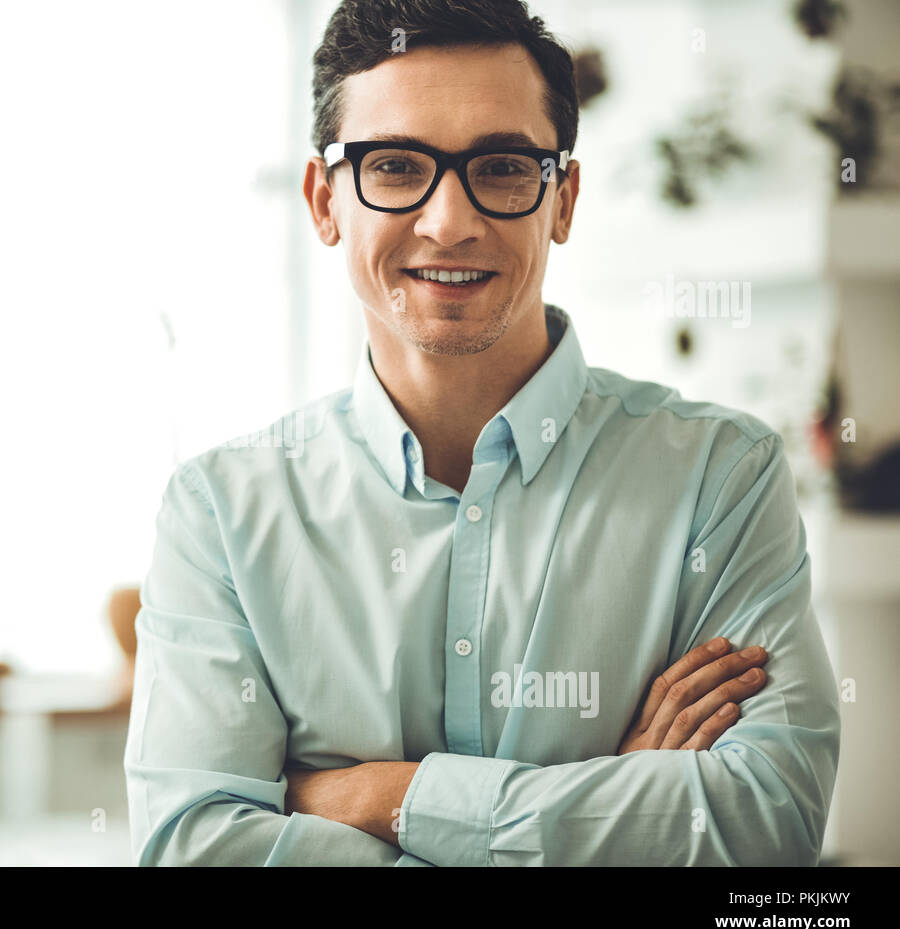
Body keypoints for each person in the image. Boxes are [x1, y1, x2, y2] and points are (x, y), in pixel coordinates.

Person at [123, 0, 840, 866]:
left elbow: (765, 825)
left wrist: (380, 797)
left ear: (561, 199)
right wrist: (607, 809)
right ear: (324, 201)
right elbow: (194, 850)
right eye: (394, 166)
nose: (450, 222)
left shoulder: (719, 479)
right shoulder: (221, 515)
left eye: (500, 167)